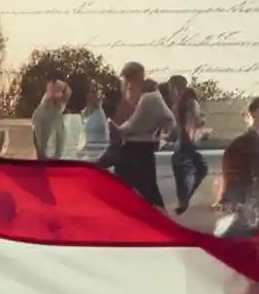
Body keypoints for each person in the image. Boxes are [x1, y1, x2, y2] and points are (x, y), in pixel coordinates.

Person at [110, 77, 175, 209]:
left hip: (136, 147)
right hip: (144, 146)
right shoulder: (154, 100)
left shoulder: (149, 99)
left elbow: (133, 123)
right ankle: (158, 218)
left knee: (131, 184)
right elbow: (169, 120)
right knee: (147, 187)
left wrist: (118, 129)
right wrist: (160, 134)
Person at [214, 97, 259, 237]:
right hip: (248, 211)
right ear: (255, 113)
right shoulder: (242, 145)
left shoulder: (241, 143)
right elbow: (234, 179)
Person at [167, 75, 209, 214]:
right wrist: (202, 126)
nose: (171, 92)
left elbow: (175, 130)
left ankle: (183, 201)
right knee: (198, 170)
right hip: (186, 144)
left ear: (176, 88)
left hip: (182, 144)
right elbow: (197, 121)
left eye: (171, 88)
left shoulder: (178, 105)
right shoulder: (190, 102)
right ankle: (184, 201)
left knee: (187, 174)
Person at [31, 75, 71, 160]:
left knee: (55, 142)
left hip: (48, 121)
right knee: (43, 147)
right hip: (43, 121)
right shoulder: (46, 105)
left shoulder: (56, 106)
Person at [77, 83, 110, 162]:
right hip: (91, 157)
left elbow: (90, 144)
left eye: (95, 93)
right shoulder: (88, 113)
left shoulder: (97, 118)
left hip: (95, 159)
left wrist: (77, 155)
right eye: (91, 92)